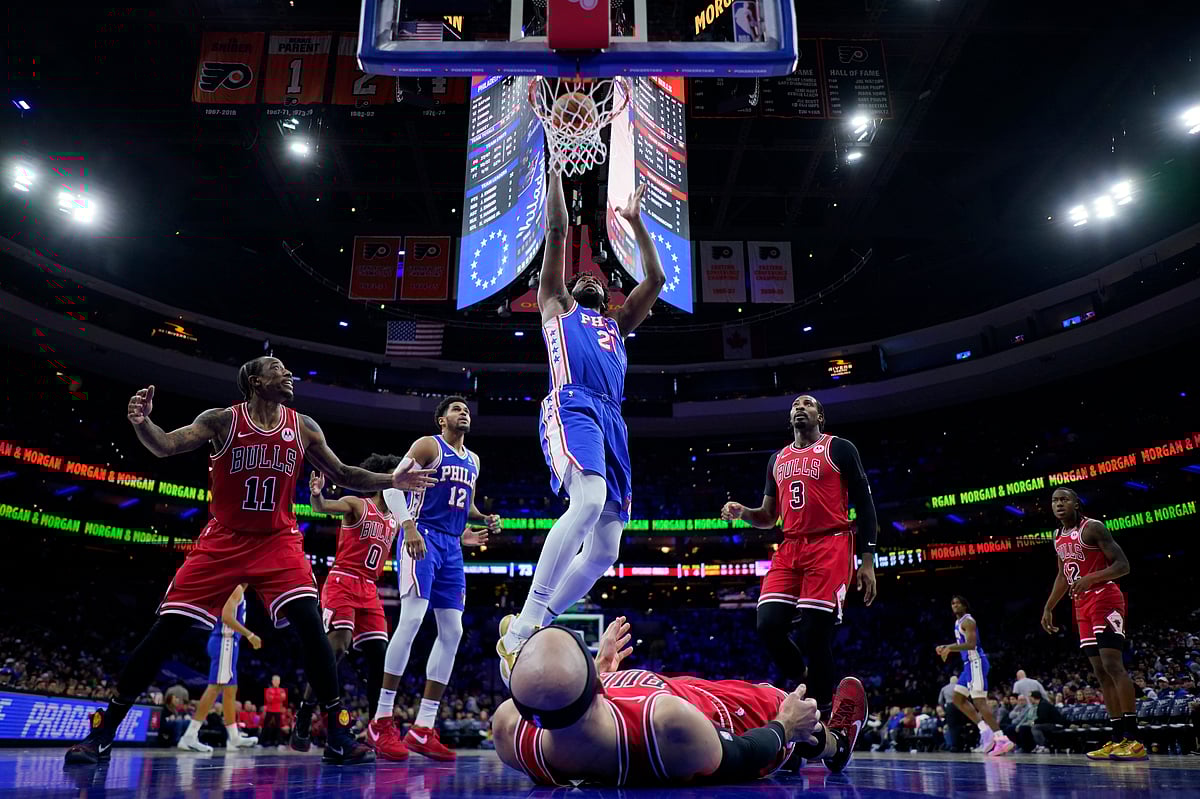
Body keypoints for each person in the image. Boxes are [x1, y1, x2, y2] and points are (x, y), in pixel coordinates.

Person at [62, 357, 435, 766]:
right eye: (278, 368)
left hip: (278, 540)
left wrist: (391, 480)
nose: (288, 374)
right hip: (223, 540)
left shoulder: (304, 426)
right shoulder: (222, 420)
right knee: (166, 630)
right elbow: (166, 445)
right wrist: (142, 423)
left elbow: (345, 472)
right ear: (255, 381)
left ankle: (337, 733)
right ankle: (103, 731)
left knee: (313, 628)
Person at [497, 174, 666, 684]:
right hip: (572, 406)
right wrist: (553, 167)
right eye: (581, 277)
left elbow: (654, 281)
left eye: (601, 279)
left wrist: (636, 224)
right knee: (587, 502)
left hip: (613, 421)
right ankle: (524, 627)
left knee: (606, 549)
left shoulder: (617, 324)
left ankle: (534, 623)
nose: (591, 277)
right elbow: (557, 225)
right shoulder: (556, 304)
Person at [493, 616, 868, 785]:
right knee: (779, 701)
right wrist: (784, 726)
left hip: (630, 695)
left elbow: (567, 709)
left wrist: (600, 670)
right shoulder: (666, 724)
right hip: (715, 720)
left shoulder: (510, 726)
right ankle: (833, 744)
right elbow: (742, 756)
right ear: (594, 690)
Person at [719, 395, 879, 717]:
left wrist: (867, 560)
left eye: (807, 404)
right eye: (795, 405)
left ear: (820, 416)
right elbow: (767, 517)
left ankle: (822, 709)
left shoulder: (841, 448)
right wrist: (743, 512)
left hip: (830, 543)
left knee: (813, 633)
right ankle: (806, 680)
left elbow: (865, 505)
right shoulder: (777, 459)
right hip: (791, 546)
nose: (799, 408)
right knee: (768, 625)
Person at [371, 397, 499, 761]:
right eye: (456, 409)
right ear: (441, 419)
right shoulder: (429, 445)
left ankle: (423, 728)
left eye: (467, 410)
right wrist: (408, 526)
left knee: (454, 632)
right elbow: (393, 488)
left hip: (452, 547)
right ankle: (381, 720)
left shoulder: (473, 460)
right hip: (421, 536)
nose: (464, 413)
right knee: (411, 619)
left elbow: (465, 505)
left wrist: (481, 520)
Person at [289, 458, 402, 752]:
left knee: (381, 657)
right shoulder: (357, 503)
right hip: (343, 581)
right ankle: (305, 711)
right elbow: (322, 508)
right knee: (337, 647)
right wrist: (316, 494)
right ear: (383, 481)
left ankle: (379, 728)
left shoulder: (398, 518)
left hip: (370, 589)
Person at [1042, 488, 1146, 761]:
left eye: (1064, 499)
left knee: (1113, 665)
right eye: (1055, 500)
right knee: (1100, 672)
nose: (1059, 504)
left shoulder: (1093, 528)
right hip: (1081, 605)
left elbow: (1123, 566)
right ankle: (1116, 738)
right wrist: (1049, 607)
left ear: (1077, 503)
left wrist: (1092, 578)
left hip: (1106, 598)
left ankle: (1134, 740)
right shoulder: (1057, 536)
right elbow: (1063, 576)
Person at [178, 585, 262, 752]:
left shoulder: (239, 590)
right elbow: (226, 617)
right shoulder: (236, 588)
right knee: (214, 688)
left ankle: (233, 737)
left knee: (231, 690)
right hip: (225, 642)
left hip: (229, 644)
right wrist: (250, 635)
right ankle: (189, 736)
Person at [935, 595, 1014, 756]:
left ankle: (1001, 738)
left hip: (976, 663)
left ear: (965, 606)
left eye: (958, 603)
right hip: (967, 666)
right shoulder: (957, 622)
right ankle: (985, 731)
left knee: (979, 702)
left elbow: (971, 645)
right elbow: (961, 644)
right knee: (957, 699)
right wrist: (946, 647)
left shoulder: (968, 621)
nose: (955, 605)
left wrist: (949, 648)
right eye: (952, 603)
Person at [261, 675, 287, 747]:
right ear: (272, 681)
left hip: (278, 710)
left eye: (277, 680)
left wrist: (274, 697)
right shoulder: (269, 690)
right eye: (274, 680)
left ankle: (279, 743)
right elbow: (269, 699)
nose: (276, 682)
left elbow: (283, 698)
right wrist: (278, 697)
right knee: (265, 726)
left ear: (279, 682)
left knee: (278, 727)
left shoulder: (282, 690)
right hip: (269, 710)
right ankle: (261, 742)